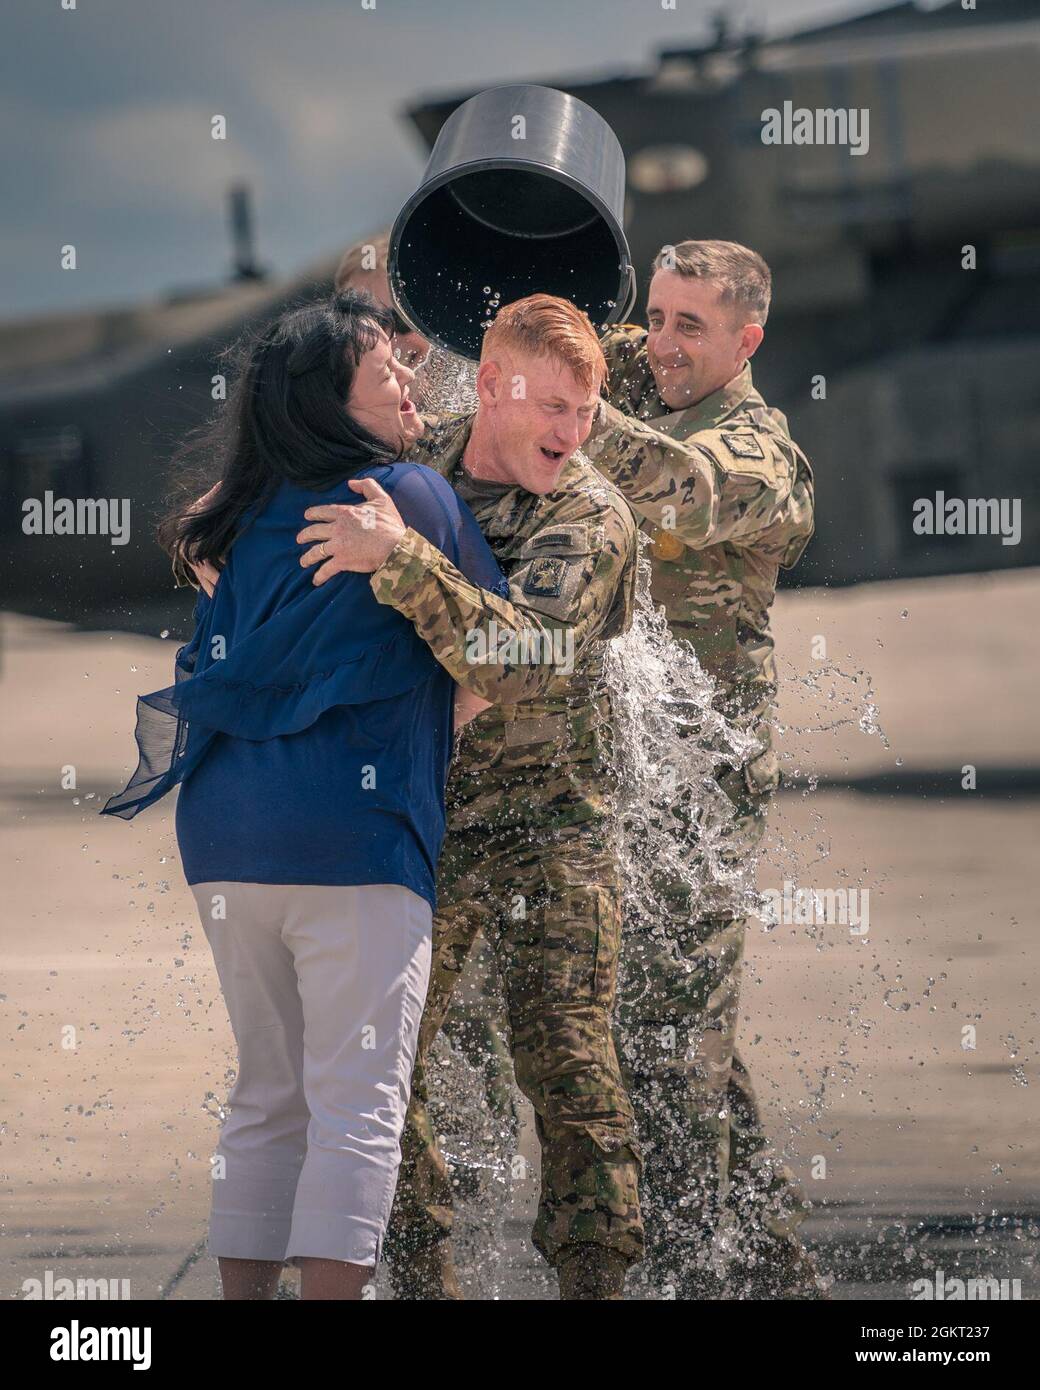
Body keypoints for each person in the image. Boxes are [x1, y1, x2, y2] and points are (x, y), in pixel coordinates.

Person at [101, 291, 509, 1301]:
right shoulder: (404, 498)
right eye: (388, 371)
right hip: (352, 837)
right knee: (356, 1102)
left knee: (267, 1095)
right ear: (334, 399)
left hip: (228, 835)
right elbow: (502, 652)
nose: (412, 379)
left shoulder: (229, 516)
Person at [290, 294, 644, 1299]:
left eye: (584, 412)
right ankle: (421, 1267)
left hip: (553, 825)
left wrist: (399, 561)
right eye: (549, 405)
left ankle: (595, 1283)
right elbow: (293, 517)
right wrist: (207, 538)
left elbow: (524, 658)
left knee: (571, 1071)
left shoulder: (588, 514)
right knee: (369, 1061)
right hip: (428, 820)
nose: (567, 433)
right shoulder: (415, 467)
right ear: (490, 385)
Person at [583, 239, 820, 1297]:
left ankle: (696, 1277)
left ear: (745, 340)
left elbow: (680, 484)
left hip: (699, 788)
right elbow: (552, 345)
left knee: (668, 1043)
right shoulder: (646, 370)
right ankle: (767, 1254)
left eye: (691, 327)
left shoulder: (756, 451)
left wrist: (561, 418)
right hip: (611, 766)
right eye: (657, 316)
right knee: (665, 1023)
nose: (662, 344)